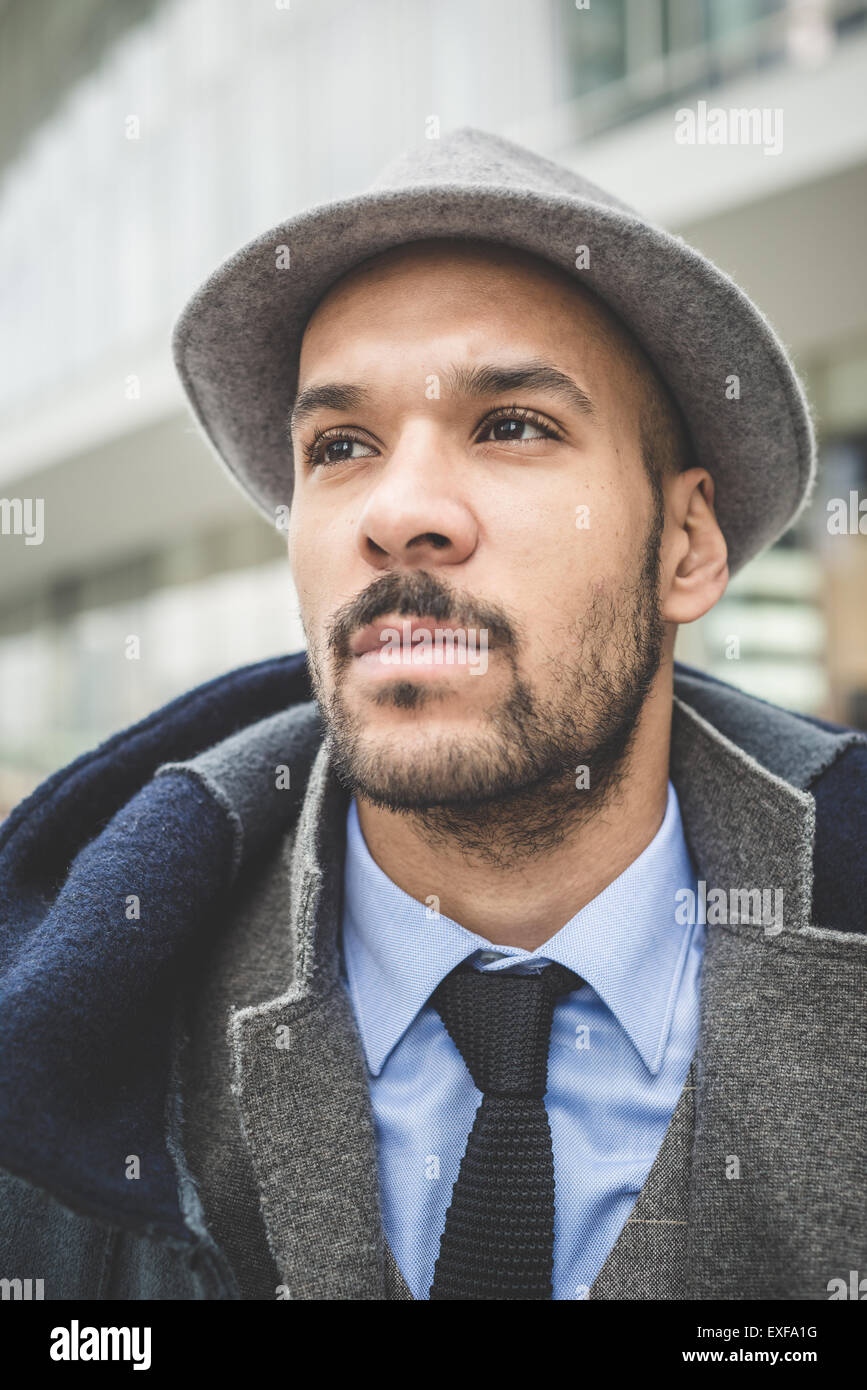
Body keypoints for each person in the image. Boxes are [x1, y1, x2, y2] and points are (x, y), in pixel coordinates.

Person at [1, 128, 865, 1302]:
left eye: (512, 423)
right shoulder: (60, 1051)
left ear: (686, 545)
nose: (399, 512)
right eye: (340, 446)